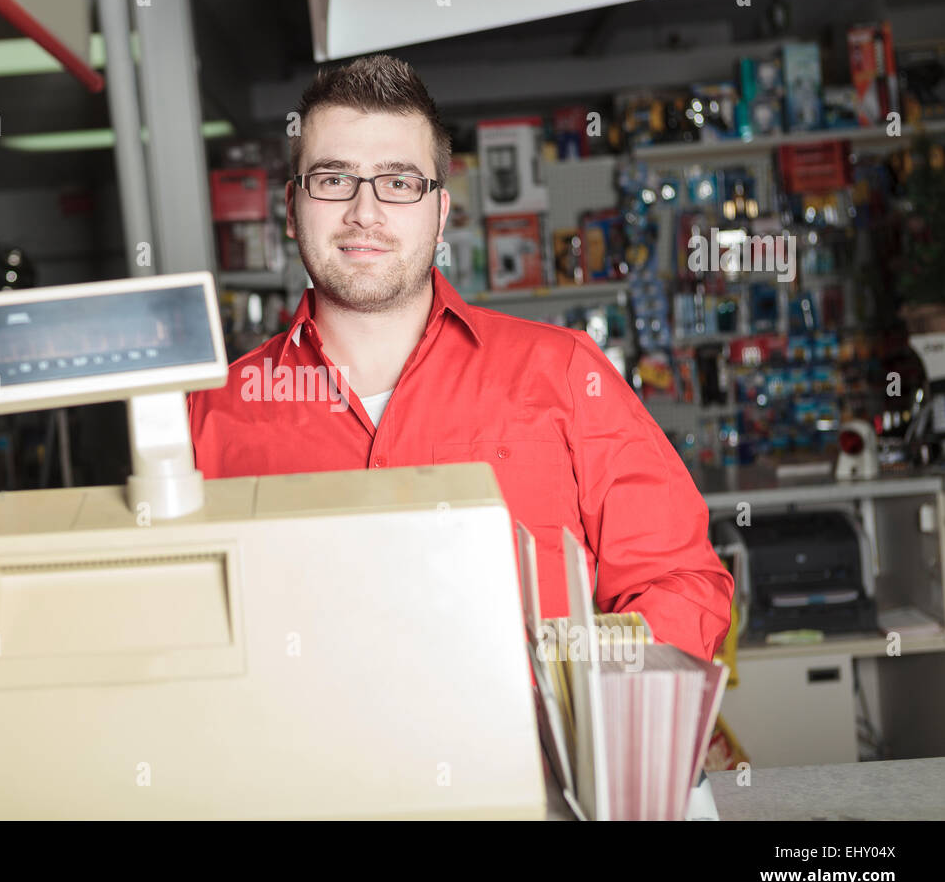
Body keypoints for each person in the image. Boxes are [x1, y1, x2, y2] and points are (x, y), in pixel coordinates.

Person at [188, 54, 732, 661]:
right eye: (333, 179)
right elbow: (177, 635)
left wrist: (585, 712)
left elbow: (680, 585)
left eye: (398, 183)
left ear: (440, 212)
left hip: (535, 755)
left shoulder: (565, 374)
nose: (364, 213)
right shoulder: (206, 416)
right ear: (292, 209)